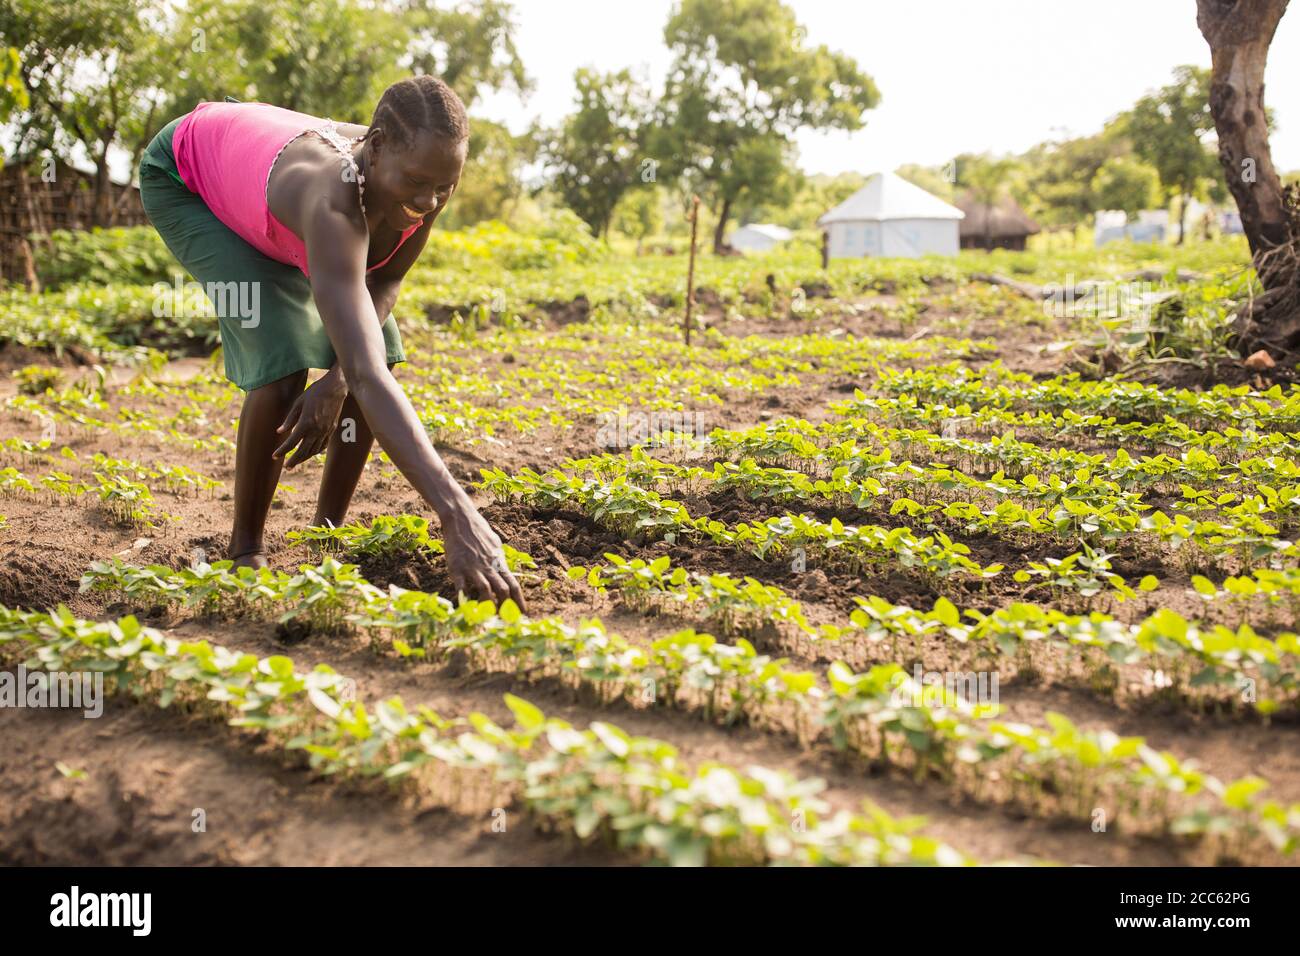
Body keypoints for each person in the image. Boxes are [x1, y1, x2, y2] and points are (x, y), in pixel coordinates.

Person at [138, 76, 523, 608]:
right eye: (416, 182)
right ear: (378, 144)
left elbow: (383, 284)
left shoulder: (421, 174)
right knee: (284, 356)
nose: (428, 201)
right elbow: (364, 367)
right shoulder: (333, 202)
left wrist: (339, 379)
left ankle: (324, 541)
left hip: (277, 179)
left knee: (374, 356)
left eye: (445, 187)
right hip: (189, 178)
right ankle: (246, 550)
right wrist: (458, 515)